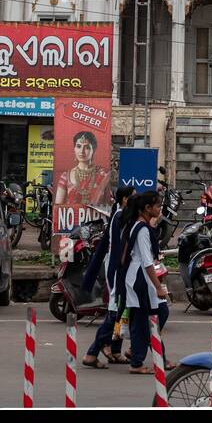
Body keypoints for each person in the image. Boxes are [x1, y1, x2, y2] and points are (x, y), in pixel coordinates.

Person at [121, 191, 173, 374]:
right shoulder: (142, 229)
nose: (159, 209)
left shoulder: (140, 226)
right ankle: (136, 361)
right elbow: (146, 261)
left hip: (140, 277)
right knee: (143, 321)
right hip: (140, 278)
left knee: (156, 315)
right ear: (147, 209)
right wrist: (158, 287)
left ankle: (149, 355)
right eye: (157, 206)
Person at [83, 184, 134, 368]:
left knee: (122, 312)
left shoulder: (122, 216)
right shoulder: (120, 216)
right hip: (115, 270)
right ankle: (92, 352)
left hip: (120, 270)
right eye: (133, 197)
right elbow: (119, 249)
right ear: (125, 200)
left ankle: (114, 349)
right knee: (115, 312)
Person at [54, 130, 111, 212]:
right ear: (74, 149)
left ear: (93, 150)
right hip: (72, 221)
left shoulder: (104, 175)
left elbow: (108, 204)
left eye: (87, 147)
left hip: (96, 221)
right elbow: (58, 207)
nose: (82, 151)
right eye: (78, 146)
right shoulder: (65, 176)